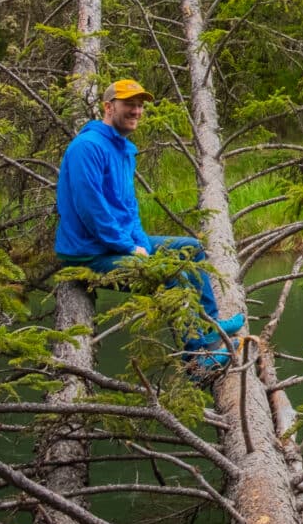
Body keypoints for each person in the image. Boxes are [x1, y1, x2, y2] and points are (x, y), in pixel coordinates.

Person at [56, 78, 245, 371]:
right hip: (89, 254)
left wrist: (141, 243)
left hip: (114, 246)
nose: (136, 110)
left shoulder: (124, 150)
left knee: (191, 250)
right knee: (171, 272)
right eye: (129, 104)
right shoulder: (88, 147)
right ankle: (197, 358)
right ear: (109, 107)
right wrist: (128, 247)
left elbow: (127, 208)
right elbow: (91, 209)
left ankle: (209, 325)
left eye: (140, 105)